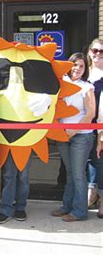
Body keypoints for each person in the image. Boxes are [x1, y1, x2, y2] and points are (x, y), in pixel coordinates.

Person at [52, 53, 95, 222]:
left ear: (85, 69)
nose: (77, 68)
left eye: (81, 66)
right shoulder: (61, 84)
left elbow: (90, 113)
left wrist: (74, 131)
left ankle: (80, 211)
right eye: (74, 64)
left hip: (81, 137)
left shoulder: (86, 87)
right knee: (69, 173)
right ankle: (66, 207)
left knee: (78, 174)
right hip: (63, 136)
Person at [86, 38, 103, 209]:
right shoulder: (84, 73)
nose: (97, 54)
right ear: (90, 52)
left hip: (101, 125)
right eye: (95, 50)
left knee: (100, 160)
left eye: (101, 51)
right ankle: (91, 193)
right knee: (90, 159)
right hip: (84, 125)